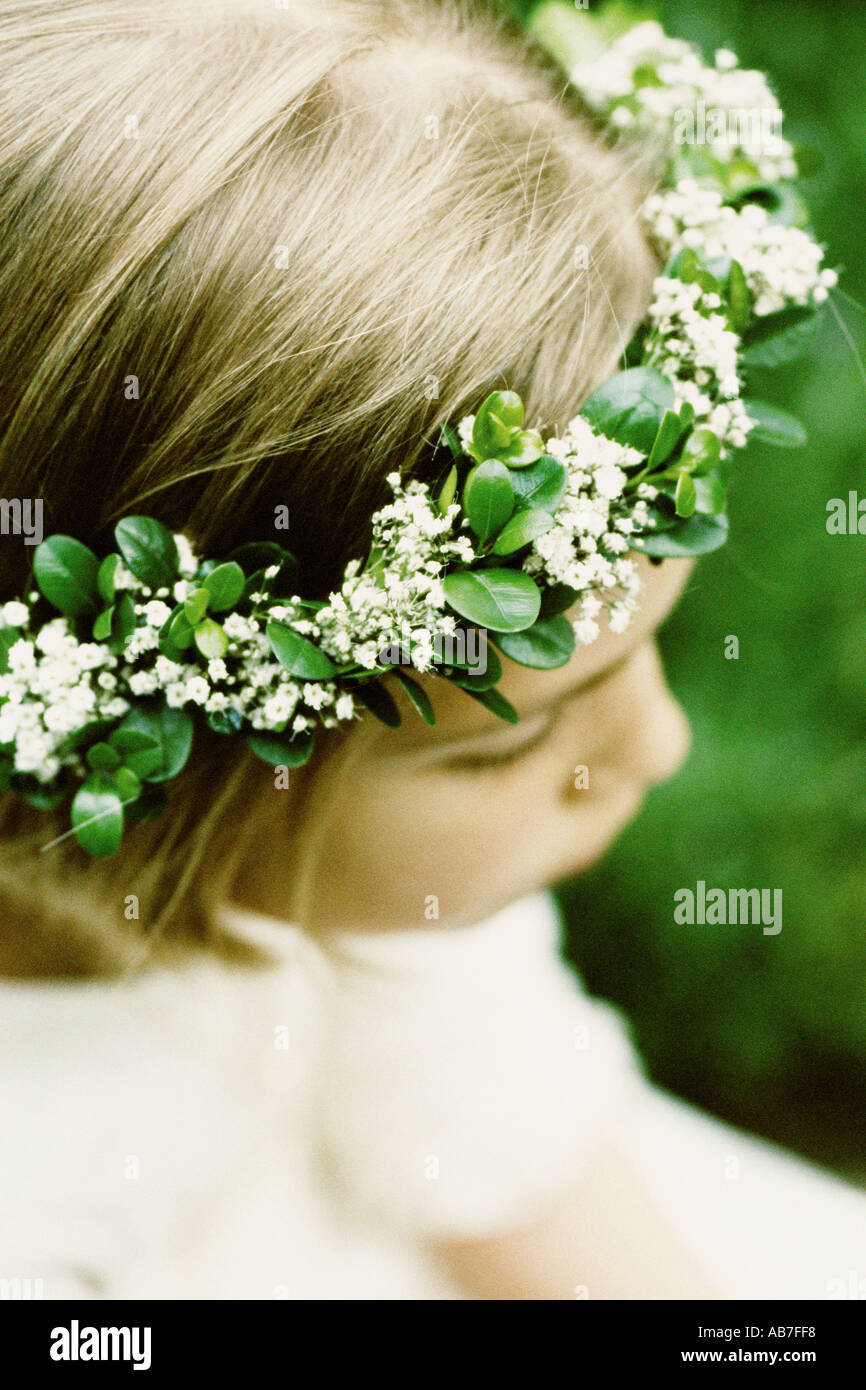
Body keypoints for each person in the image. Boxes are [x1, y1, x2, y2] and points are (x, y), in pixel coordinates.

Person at [0, 0, 864, 1301]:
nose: (660, 745)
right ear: (156, 775)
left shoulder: (378, 920)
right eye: (513, 737)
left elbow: (563, 1212)